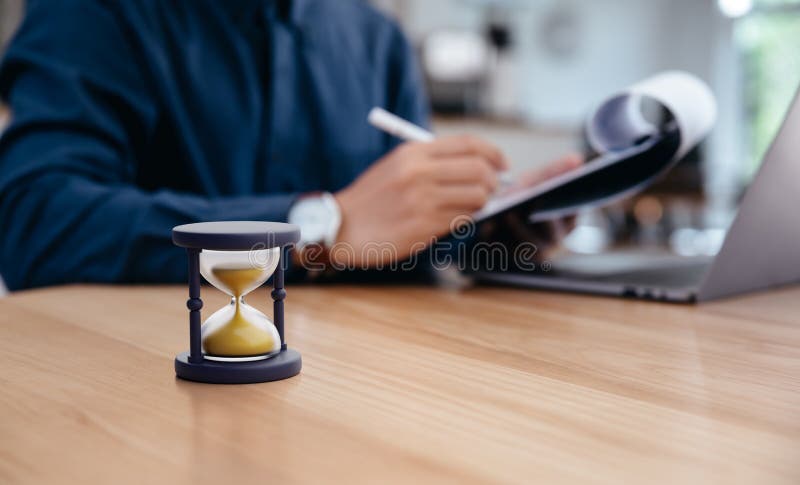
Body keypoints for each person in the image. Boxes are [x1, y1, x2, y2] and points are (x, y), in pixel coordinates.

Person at [0, 0, 579, 291]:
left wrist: (480, 232)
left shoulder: (379, 42)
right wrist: (318, 227)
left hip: (359, 392)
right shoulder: (97, 13)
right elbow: (39, 224)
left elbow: (385, 246)